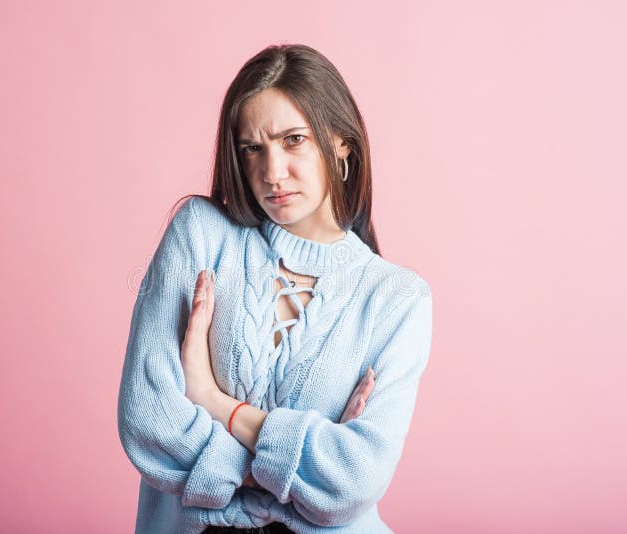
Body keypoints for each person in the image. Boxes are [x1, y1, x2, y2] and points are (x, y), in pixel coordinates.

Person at [117, 43, 433, 533]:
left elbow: (351, 484)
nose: (272, 172)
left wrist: (211, 399)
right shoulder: (200, 235)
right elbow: (148, 423)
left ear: (342, 143)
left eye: (293, 140)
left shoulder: (397, 299)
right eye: (252, 149)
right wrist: (297, 479)